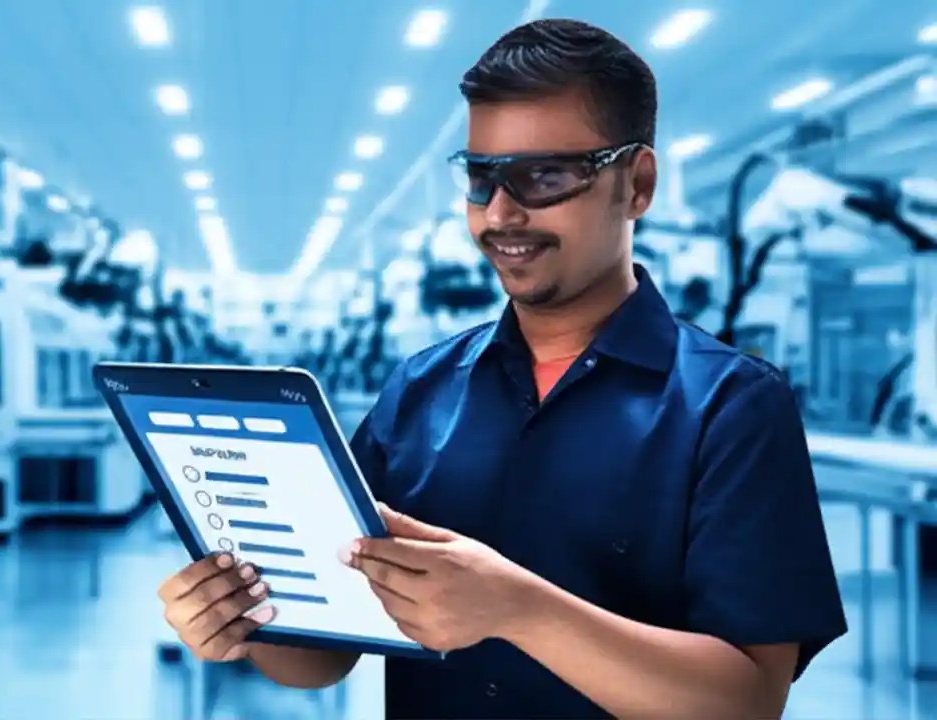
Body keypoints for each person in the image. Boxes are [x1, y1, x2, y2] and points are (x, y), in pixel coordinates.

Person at [155, 18, 847, 719]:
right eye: (482, 179)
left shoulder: (731, 407)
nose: (501, 214)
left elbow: (745, 702)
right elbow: (324, 654)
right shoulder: (421, 392)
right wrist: (245, 619)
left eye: (543, 177)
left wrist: (519, 610)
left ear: (636, 185)